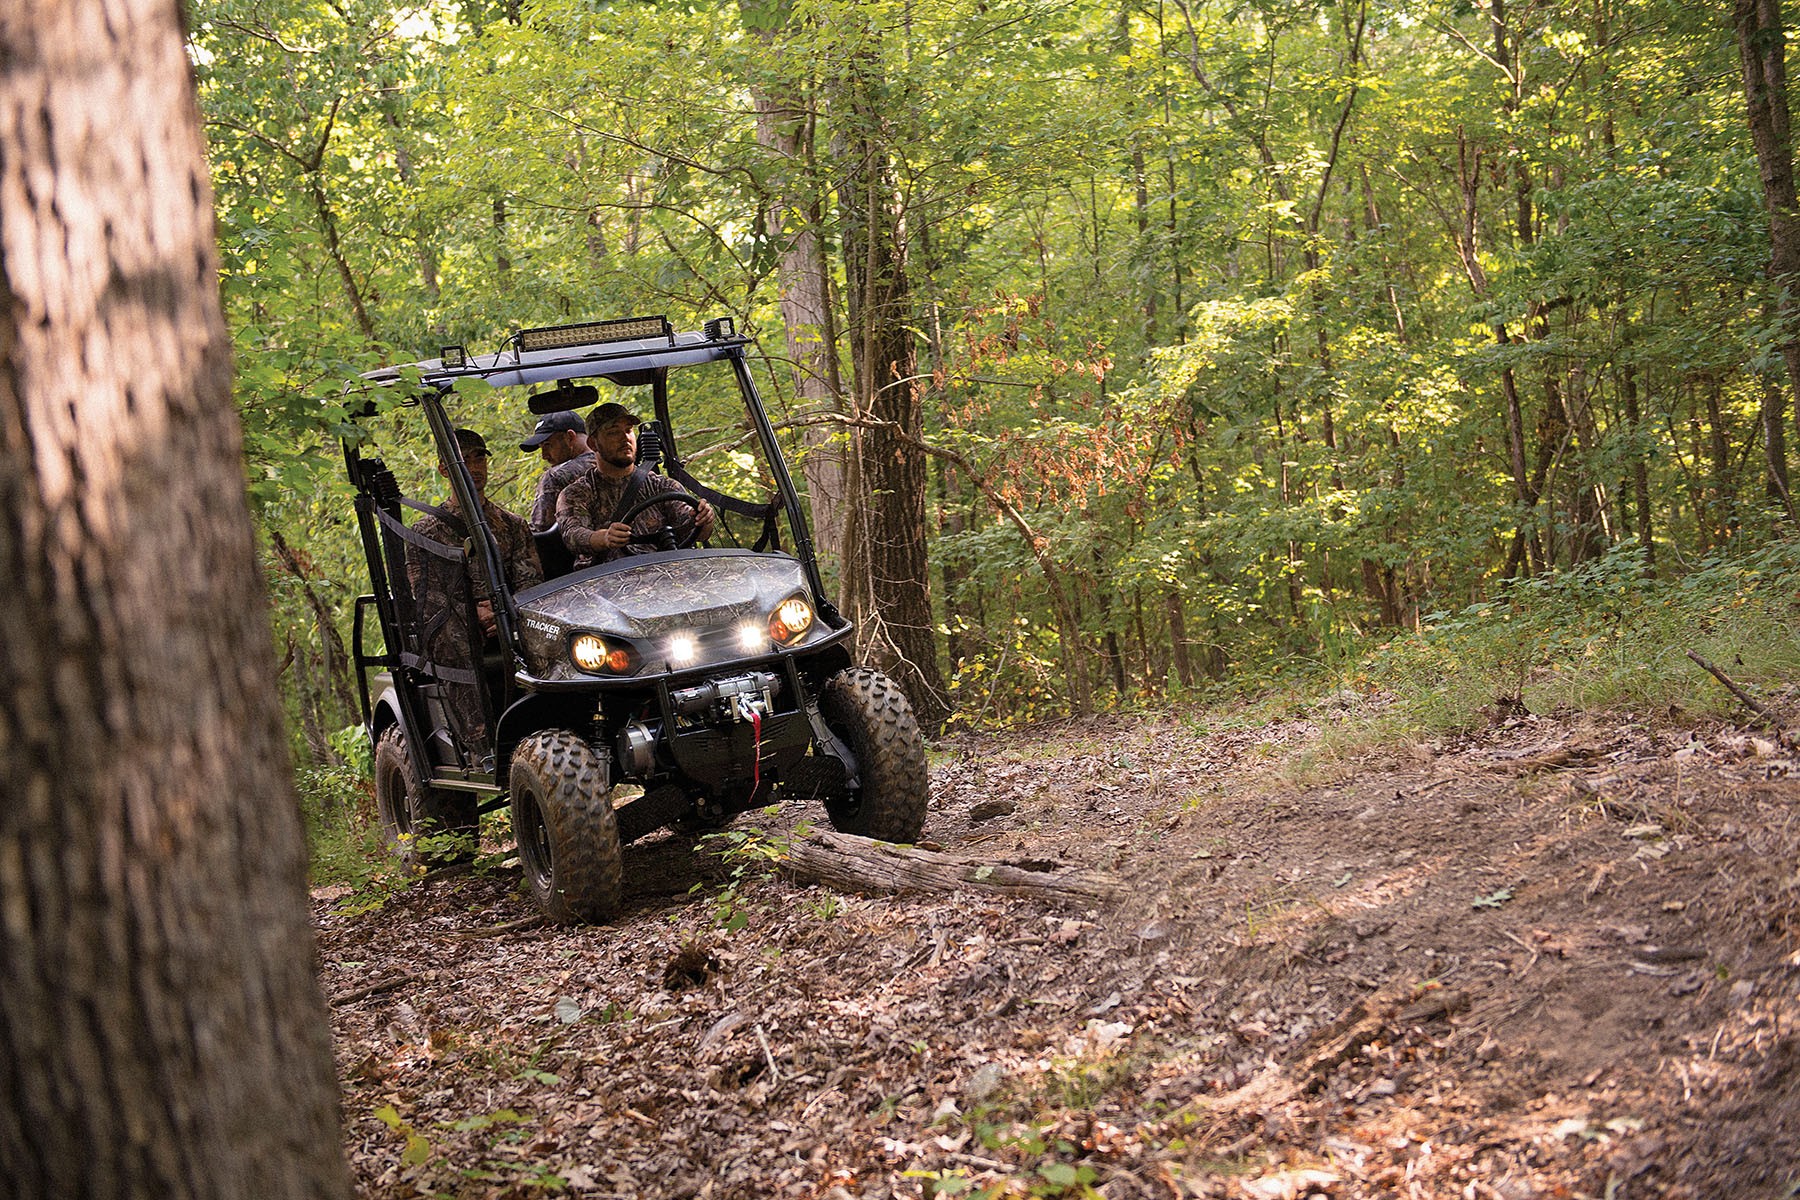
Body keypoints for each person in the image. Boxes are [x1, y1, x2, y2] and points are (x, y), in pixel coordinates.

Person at [407, 428, 542, 756]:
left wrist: (506, 610)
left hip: (508, 611)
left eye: (479, 456)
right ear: (444, 469)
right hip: (455, 621)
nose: (474, 466)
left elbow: (530, 581)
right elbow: (428, 596)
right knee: (454, 635)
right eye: (463, 459)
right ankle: (483, 746)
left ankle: (552, 724)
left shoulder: (512, 525)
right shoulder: (424, 533)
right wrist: (478, 613)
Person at [557, 401, 716, 569]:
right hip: (605, 581)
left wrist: (703, 519)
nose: (625, 438)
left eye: (628, 430)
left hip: (664, 575)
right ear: (593, 444)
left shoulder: (661, 485)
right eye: (613, 432)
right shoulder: (577, 493)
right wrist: (603, 538)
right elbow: (573, 535)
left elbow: (697, 532)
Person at [520, 408, 593, 532]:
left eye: (548, 445)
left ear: (570, 437)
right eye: (541, 447)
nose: (544, 455)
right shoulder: (619, 463)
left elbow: (541, 531)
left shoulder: (556, 476)